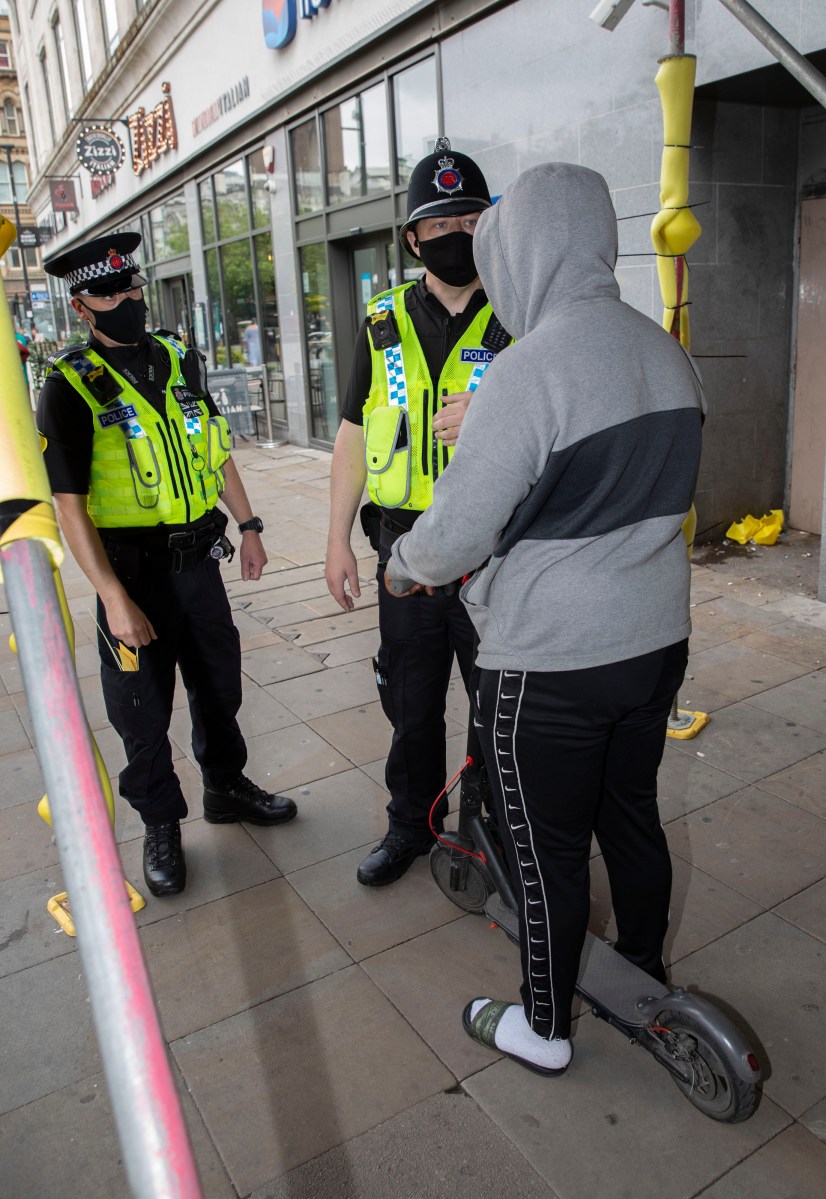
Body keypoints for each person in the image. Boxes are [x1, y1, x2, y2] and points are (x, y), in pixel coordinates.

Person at [386, 163, 704, 1074]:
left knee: (545, 852)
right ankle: (641, 967)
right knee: (631, 815)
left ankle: (544, 1025)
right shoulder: (666, 351)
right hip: (654, 643)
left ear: (523, 252)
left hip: (551, 663)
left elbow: (455, 531)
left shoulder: (529, 370)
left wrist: (405, 566)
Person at [37, 232, 297, 898]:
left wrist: (248, 525)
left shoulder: (180, 356)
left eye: (132, 286)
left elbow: (214, 449)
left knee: (219, 687)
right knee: (141, 712)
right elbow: (68, 507)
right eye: (109, 292)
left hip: (197, 566)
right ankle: (161, 824)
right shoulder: (69, 385)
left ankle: (225, 786)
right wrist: (111, 596)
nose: (126, 299)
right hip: (131, 578)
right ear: (81, 307)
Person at [325, 137, 510, 887]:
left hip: (493, 556)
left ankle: (492, 837)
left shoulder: (521, 316)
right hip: (403, 552)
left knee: (497, 710)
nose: (455, 235)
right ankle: (412, 826)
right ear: (412, 238)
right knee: (411, 702)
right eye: (438, 225)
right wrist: (334, 540)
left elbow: (563, 427)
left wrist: (496, 411)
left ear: (490, 224)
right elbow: (351, 435)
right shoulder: (380, 322)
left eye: (470, 218)